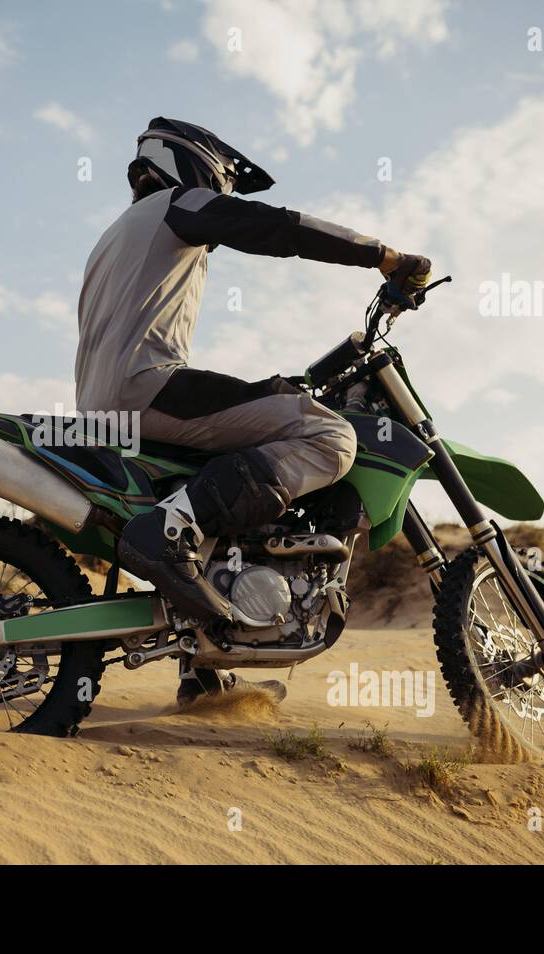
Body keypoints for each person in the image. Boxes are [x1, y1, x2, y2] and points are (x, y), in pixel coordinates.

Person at [74, 117, 432, 704]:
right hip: (146, 390)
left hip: (108, 404)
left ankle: (202, 665)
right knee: (330, 439)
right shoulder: (176, 205)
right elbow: (278, 229)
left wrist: (272, 387)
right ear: (190, 167)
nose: (223, 197)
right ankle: (167, 534)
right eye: (221, 184)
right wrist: (385, 258)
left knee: (239, 462)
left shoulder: (115, 237)